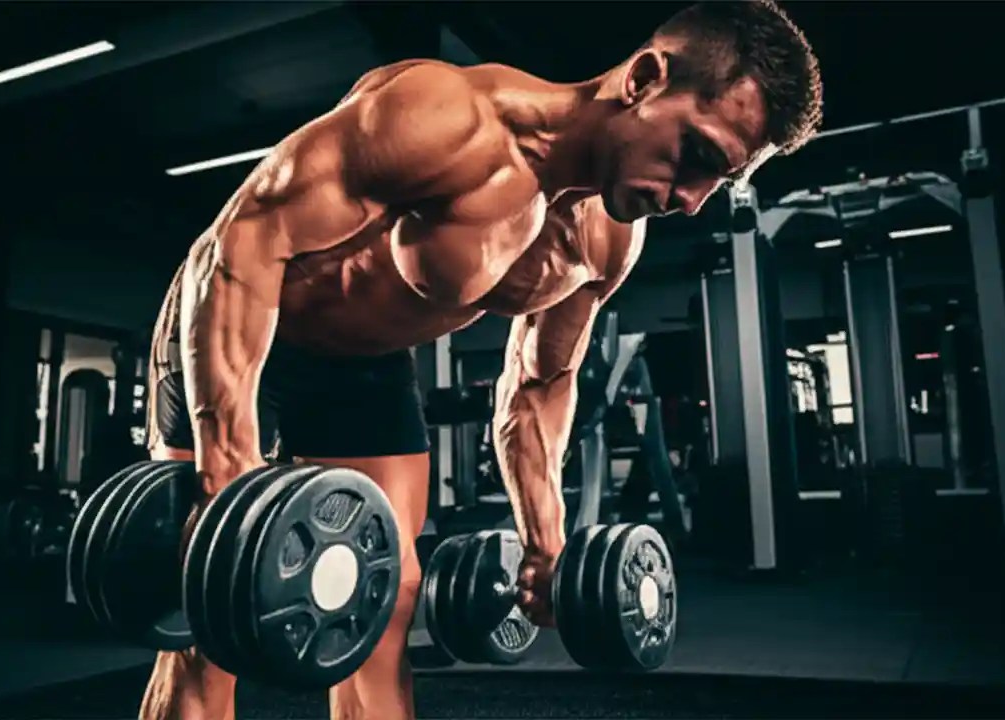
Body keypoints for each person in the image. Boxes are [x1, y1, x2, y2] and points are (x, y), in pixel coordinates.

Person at [140, 1, 823, 717]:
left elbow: (539, 384)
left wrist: (544, 540)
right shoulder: (446, 118)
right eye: (698, 157)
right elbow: (247, 244)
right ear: (645, 79)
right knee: (209, 606)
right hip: (244, 318)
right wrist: (227, 471)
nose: (691, 202)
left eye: (719, 182)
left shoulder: (606, 242)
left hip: (366, 366)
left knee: (384, 591)